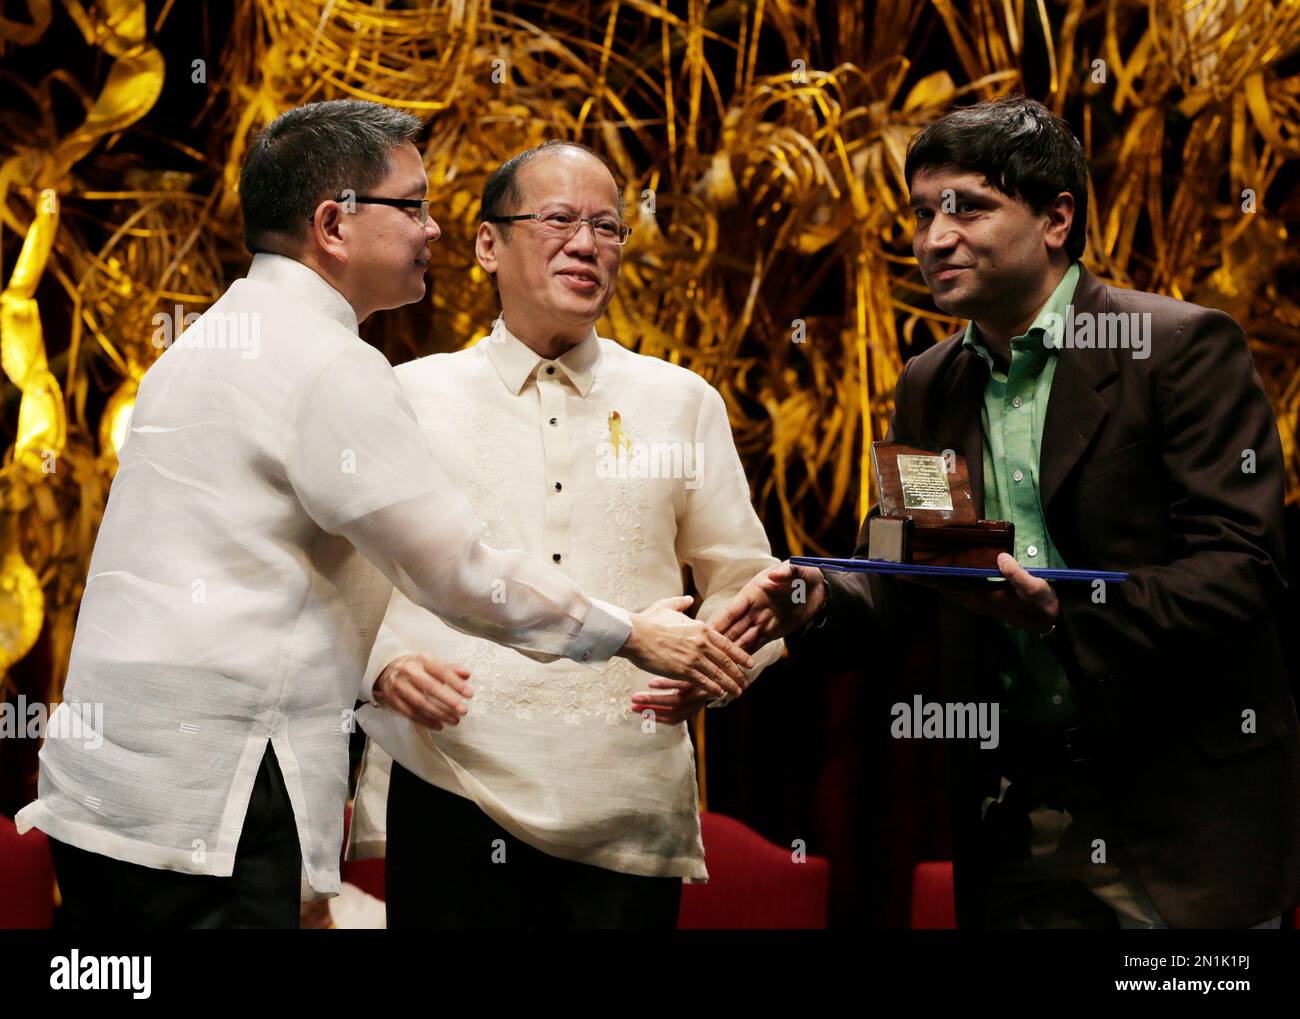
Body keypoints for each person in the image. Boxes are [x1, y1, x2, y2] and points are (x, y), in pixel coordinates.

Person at [15, 101, 752, 929]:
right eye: (414, 205)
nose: (432, 228)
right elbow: (457, 574)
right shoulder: (330, 365)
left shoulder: (214, 337)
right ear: (335, 222)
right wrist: (632, 632)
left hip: (117, 788)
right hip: (211, 797)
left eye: (608, 224)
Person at [716, 96, 1300, 929]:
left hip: (1180, 817)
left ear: (1057, 218)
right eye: (922, 214)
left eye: (968, 208)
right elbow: (902, 571)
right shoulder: (930, 380)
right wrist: (809, 594)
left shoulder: (1177, 349)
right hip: (1016, 814)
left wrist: (1064, 607)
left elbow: (1244, 573)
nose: (934, 238)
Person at [347, 140, 784, 928]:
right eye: (558, 220)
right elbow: (342, 579)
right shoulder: (405, 396)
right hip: (450, 777)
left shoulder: (680, 400)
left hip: (623, 797)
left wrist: (717, 660)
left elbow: (746, 580)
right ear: (487, 244)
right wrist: (381, 667)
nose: (586, 244)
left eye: (608, 227)